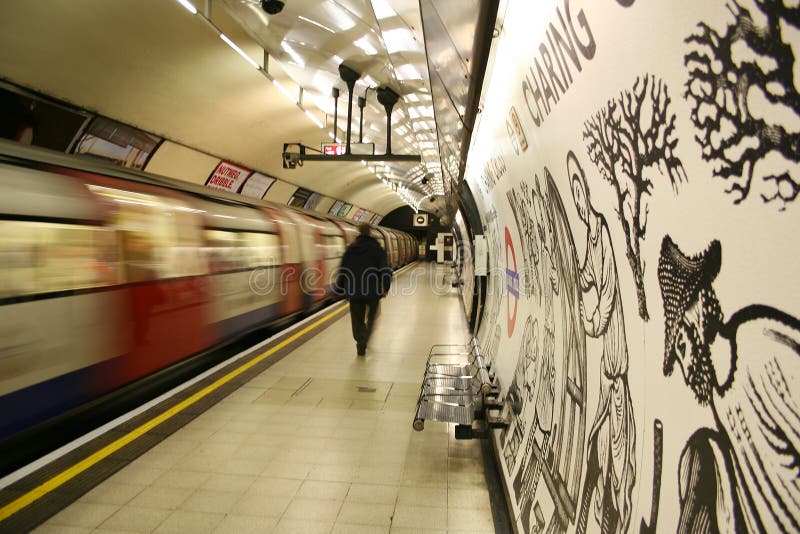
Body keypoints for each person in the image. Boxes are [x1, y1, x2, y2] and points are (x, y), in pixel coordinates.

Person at [657, 235, 800, 533]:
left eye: (681, 348)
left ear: (696, 313)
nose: (685, 371)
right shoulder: (719, 400)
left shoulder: (760, 349)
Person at [335, 222, 392, 355]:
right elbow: (385, 269)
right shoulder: (377, 249)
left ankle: (360, 341)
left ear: (359, 233)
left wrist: (339, 288)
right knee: (372, 317)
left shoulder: (350, 249)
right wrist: (386, 287)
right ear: (370, 233)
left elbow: (343, 270)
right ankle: (365, 338)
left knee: (357, 319)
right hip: (373, 291)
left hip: (354, 291)